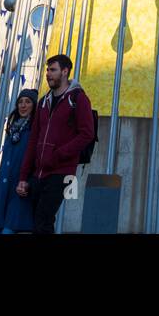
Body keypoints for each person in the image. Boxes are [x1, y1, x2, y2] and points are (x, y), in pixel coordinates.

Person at [16, 54, 95, 235]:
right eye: (47, 70)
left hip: (61, 172)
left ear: (65, 71)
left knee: (42, 221)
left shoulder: (78, 99)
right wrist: (23, 176)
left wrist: (59, 154)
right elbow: (33, 141)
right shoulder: (43, 102)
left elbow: (87, 134)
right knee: (38, 221)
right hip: (39, 173)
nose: (48, 74)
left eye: (53, 70)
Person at [0, 89, 37, 234]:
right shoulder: (13, 130)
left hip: (20, 186)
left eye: (27, 102)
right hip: (3, 187)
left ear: (34, 106)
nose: (23, 105)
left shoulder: (35, 131)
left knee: (8, 229)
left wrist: (27, 182)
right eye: (20, 102)